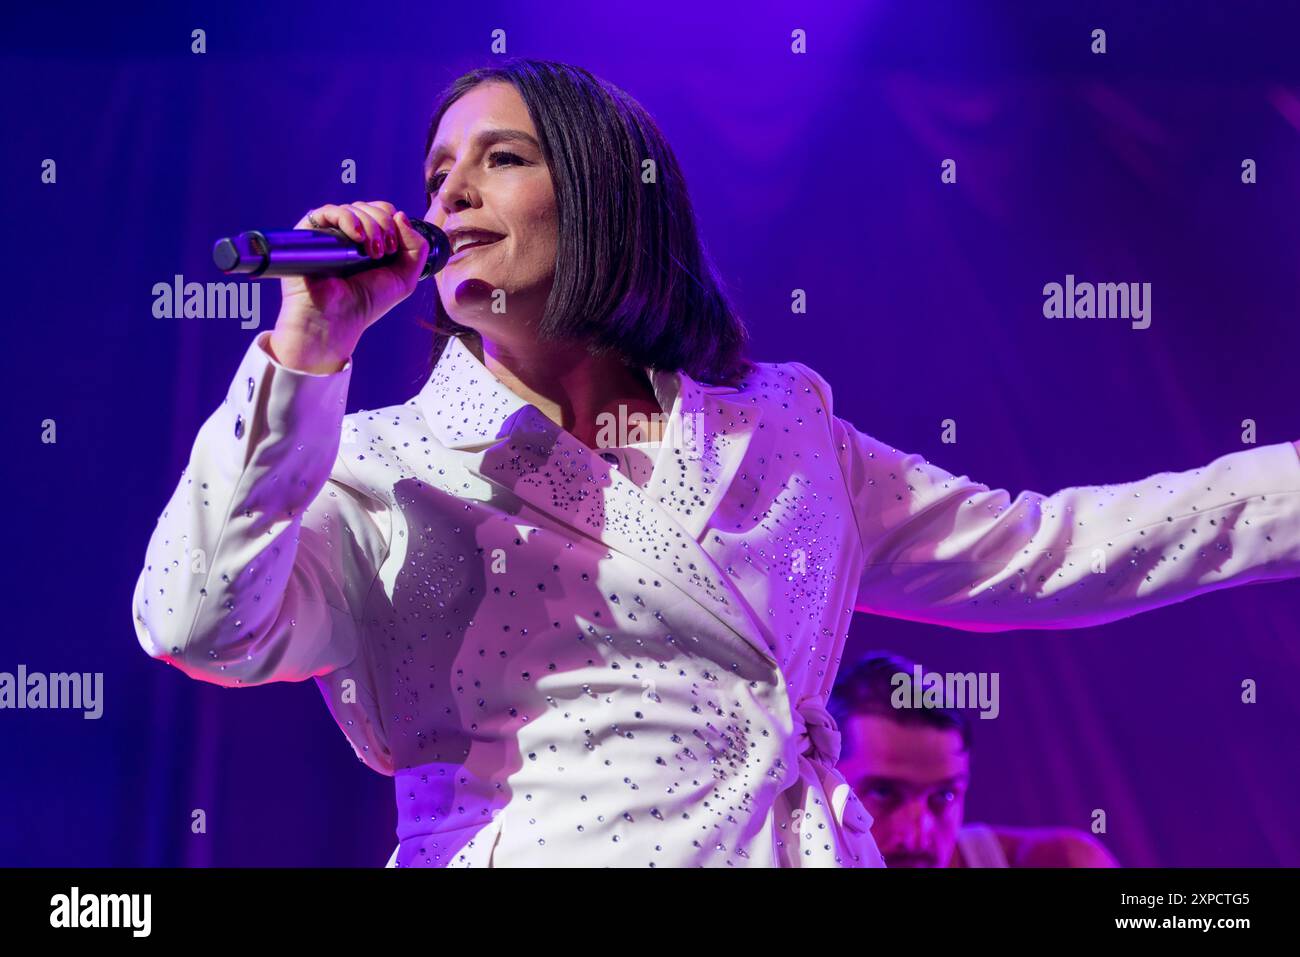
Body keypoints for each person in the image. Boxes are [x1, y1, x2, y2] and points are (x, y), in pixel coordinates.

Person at [132, 57, 1300, 868]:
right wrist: (307, 348)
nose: (449, 190)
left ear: (600, 196)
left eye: (498, 159)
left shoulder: (783, 437)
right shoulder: (385, 467)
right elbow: (198, 624)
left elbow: (1057, 550)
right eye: (439, 170)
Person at [830, 653, 1118, 867]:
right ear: (824, 780)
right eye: (884, 793)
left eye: (944, 795)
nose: (917, 835)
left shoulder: (1060, 863)